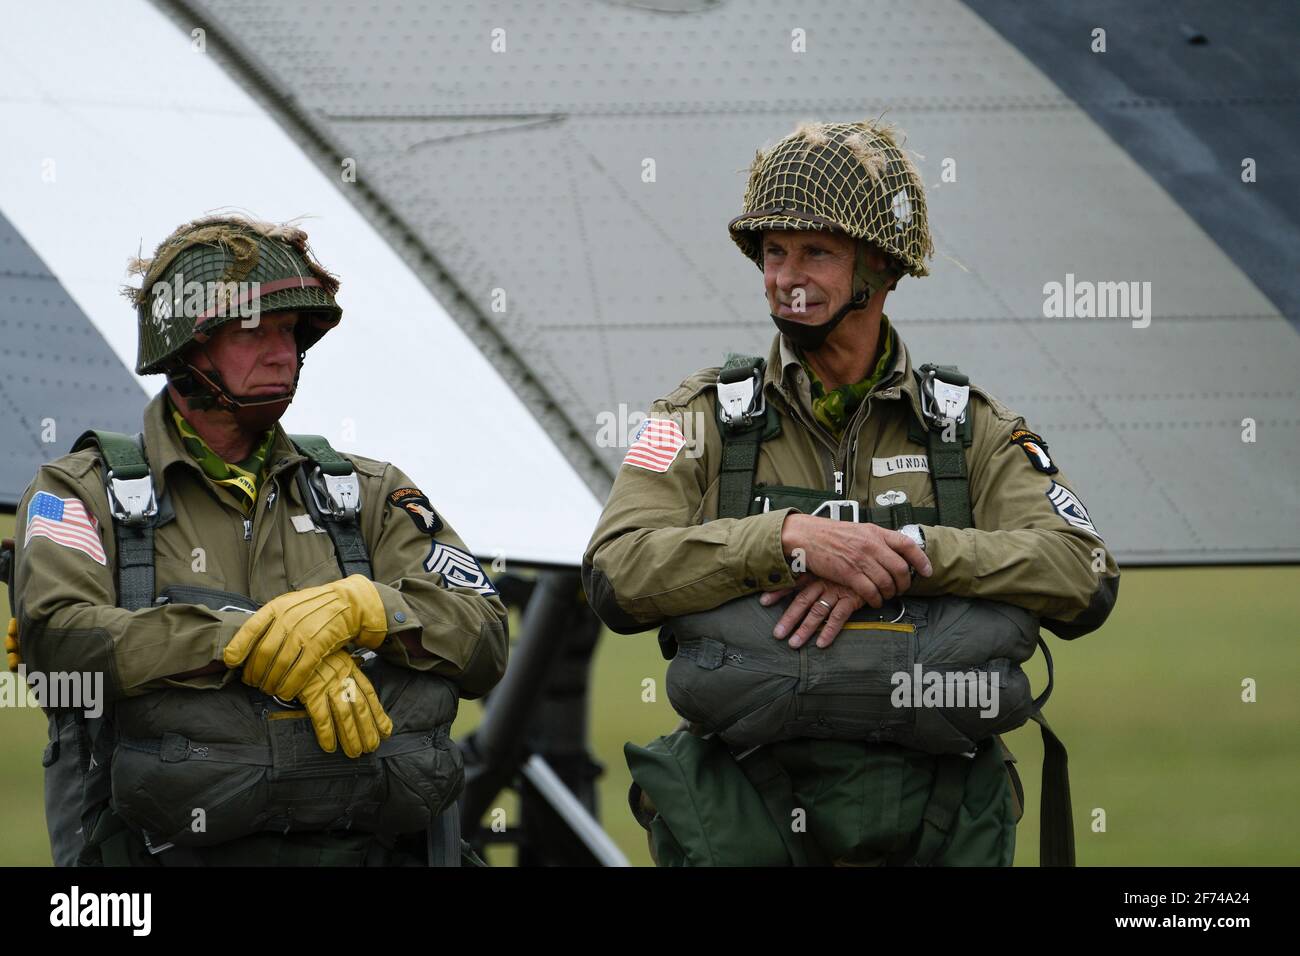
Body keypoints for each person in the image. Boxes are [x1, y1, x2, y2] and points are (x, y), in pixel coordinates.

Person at [583, 120, 1121, 866]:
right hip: (747, 814)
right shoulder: (696, 418)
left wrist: (912, 553)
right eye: (773, 251)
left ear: (881, 266)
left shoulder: (972, 430)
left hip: (936, 818)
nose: (785, 276)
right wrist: (787, 542)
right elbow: (614, 571)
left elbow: (1087, 577)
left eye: (816, 252)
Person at [11, 215, 508, 866]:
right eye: (252, 329)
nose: (280, 351)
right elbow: (56, 637)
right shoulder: (83, 493)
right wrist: (254, 645)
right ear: (183, 346)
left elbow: (485, 635)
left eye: (287, 331)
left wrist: (370, 611)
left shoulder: (367, 492)